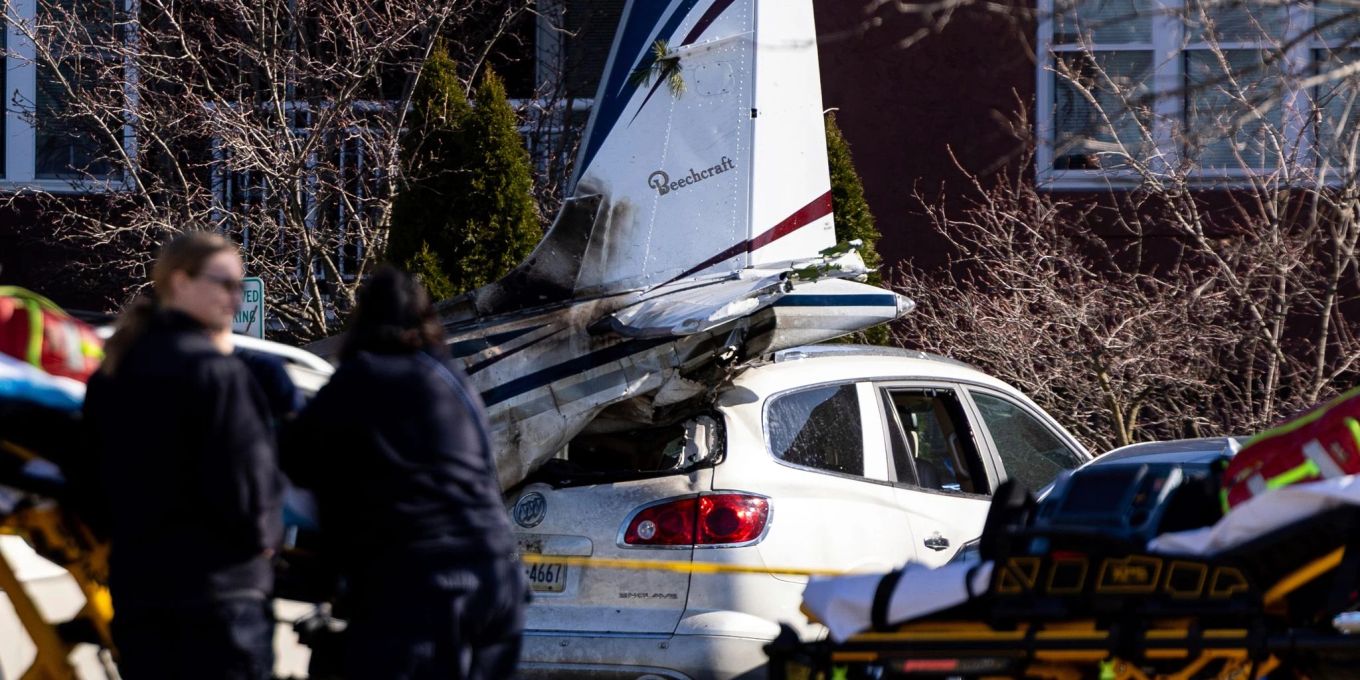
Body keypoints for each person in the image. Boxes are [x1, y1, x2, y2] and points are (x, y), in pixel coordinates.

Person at [281, 266, 525, 680]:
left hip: (421, 588)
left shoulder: (361, 378)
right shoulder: (452, 381)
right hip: (499, 582)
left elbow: (295, 462)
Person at [83, 232, 282, 679]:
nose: (235, 296)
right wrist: (265, 540)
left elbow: (88, 480)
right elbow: (248, 487)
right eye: (224, 283)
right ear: (180, 282)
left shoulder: (115, 371)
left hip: (142, 592)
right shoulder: (218, 374)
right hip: (220, 598)